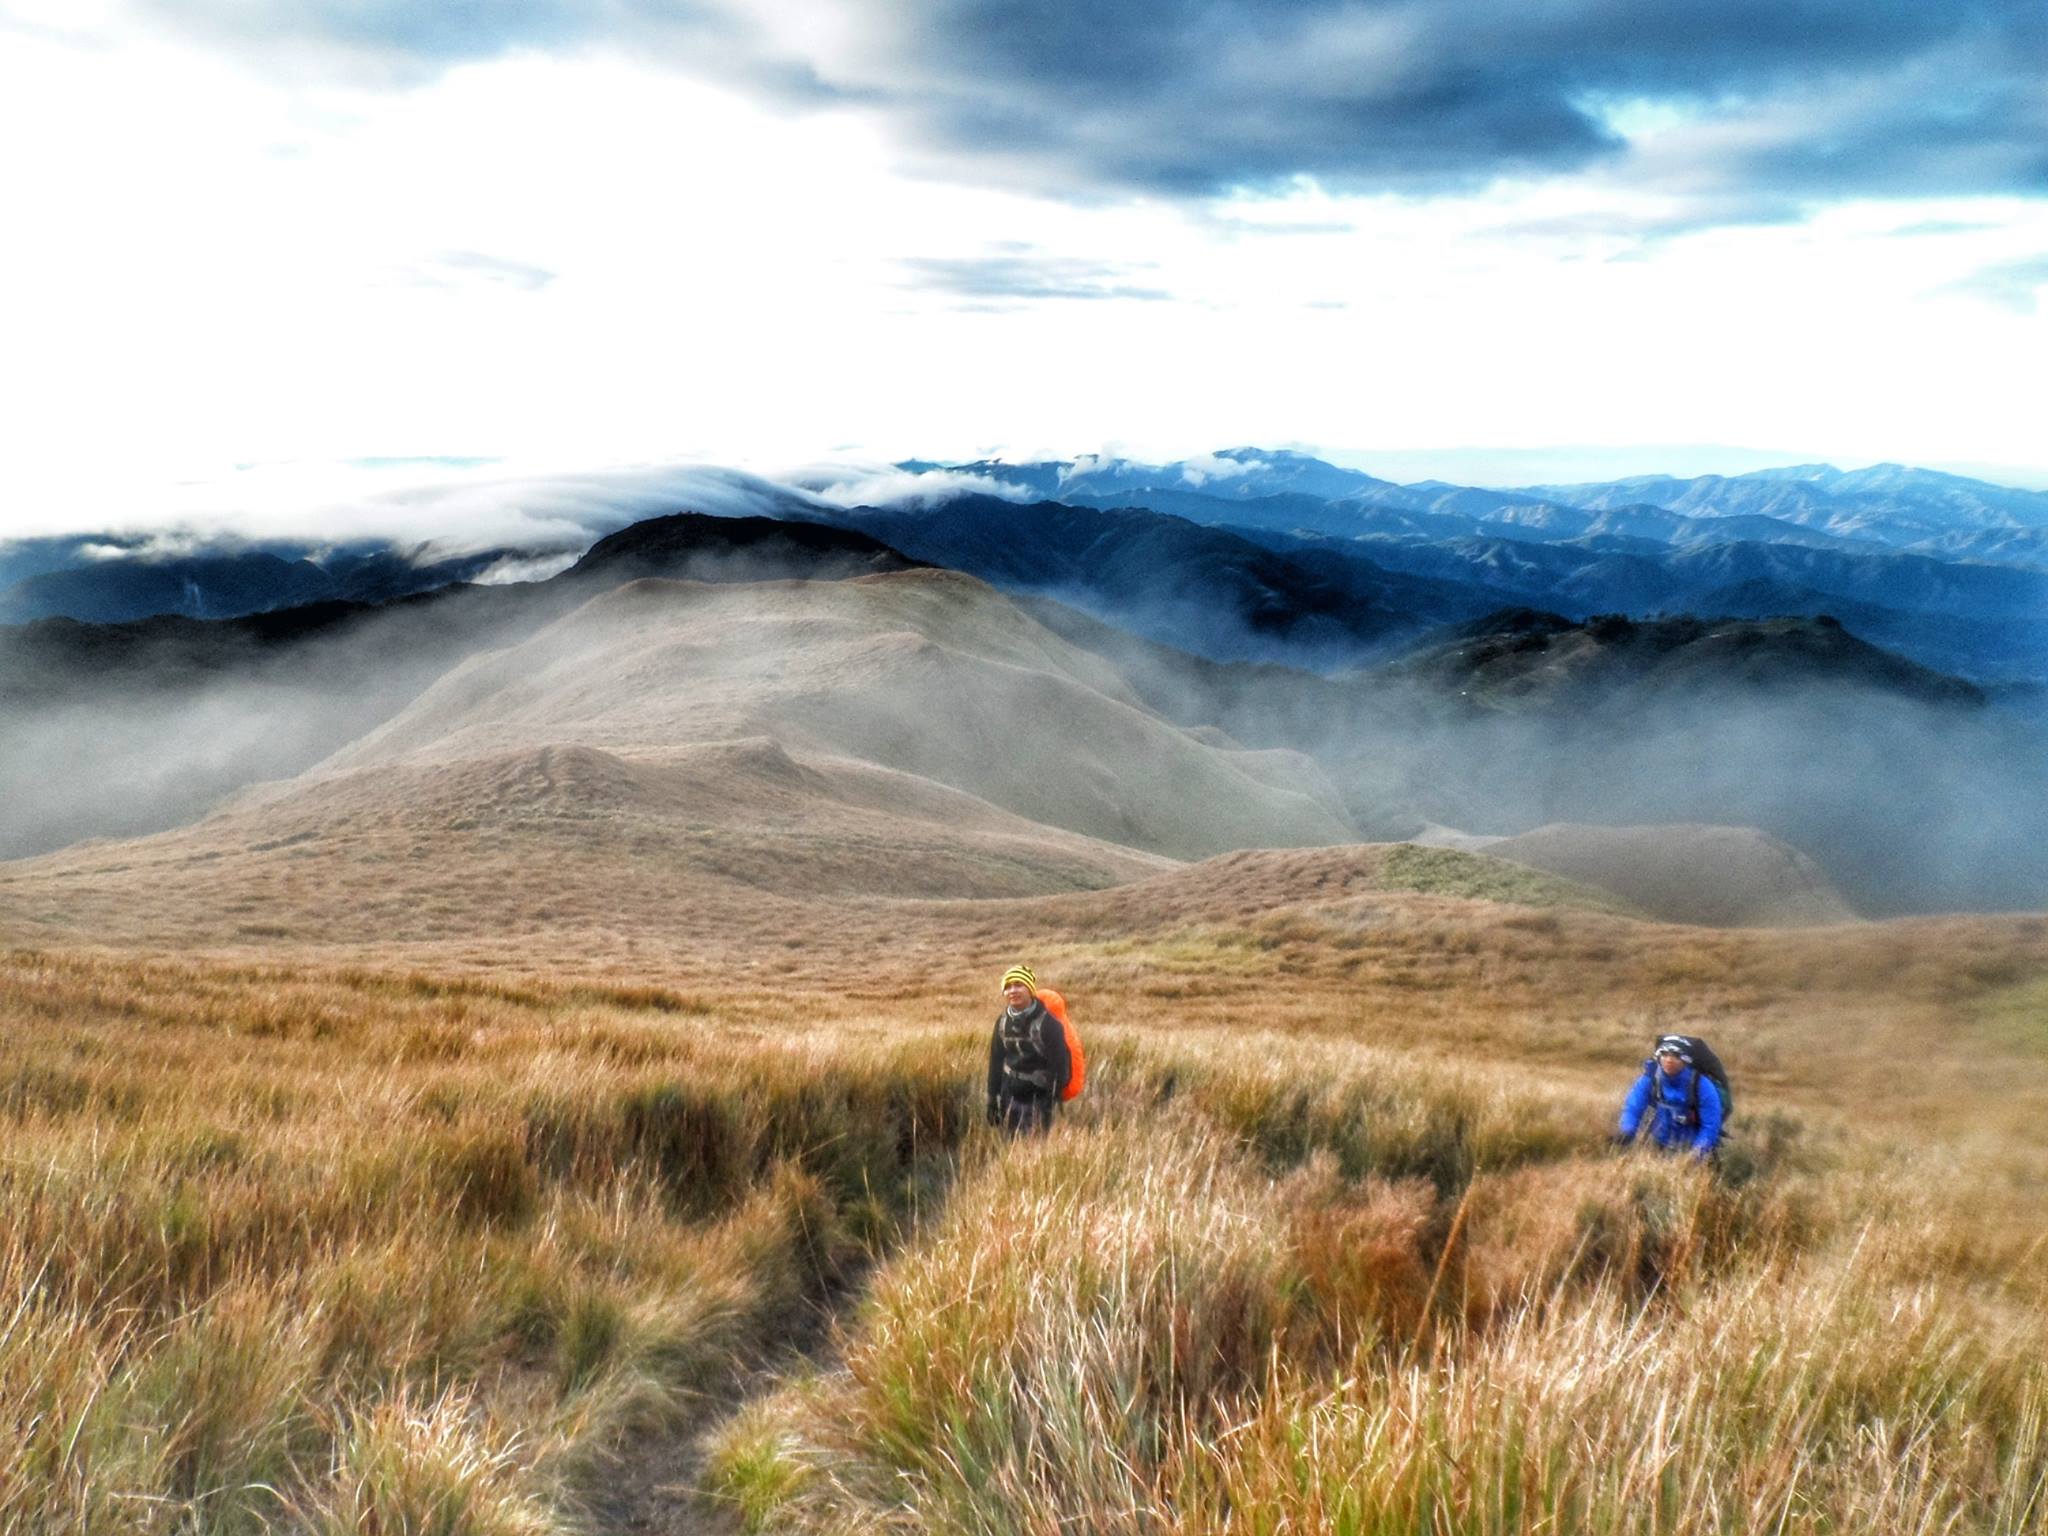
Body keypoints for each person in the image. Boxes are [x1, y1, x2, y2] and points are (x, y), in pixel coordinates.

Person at [986, 964, 1071, 1136]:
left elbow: (1061, 1066)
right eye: (1008, 987)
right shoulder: (1002, 1022)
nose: (1013, 991)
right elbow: (996, 1060)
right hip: (1008, 1094)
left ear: (1030, 989)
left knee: (1035, 1151)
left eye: (1019, 984)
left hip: (1038, 1099)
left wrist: (1051, 1099)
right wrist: (992, 1099)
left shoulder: (1049, 1024)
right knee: (1010, 1148)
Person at [1614, 1034, 1724, 1161]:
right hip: (1658, 1145)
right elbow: (1633, 1107)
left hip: (1691, 1148)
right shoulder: (1651, 1077)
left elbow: (1710, 1125)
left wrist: (1696, 1154)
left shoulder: (1702, 1085)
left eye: (1676, 1056)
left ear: (1685, 1060)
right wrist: (1627, 1131)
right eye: (1664, 1054)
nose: (1669, 1060)